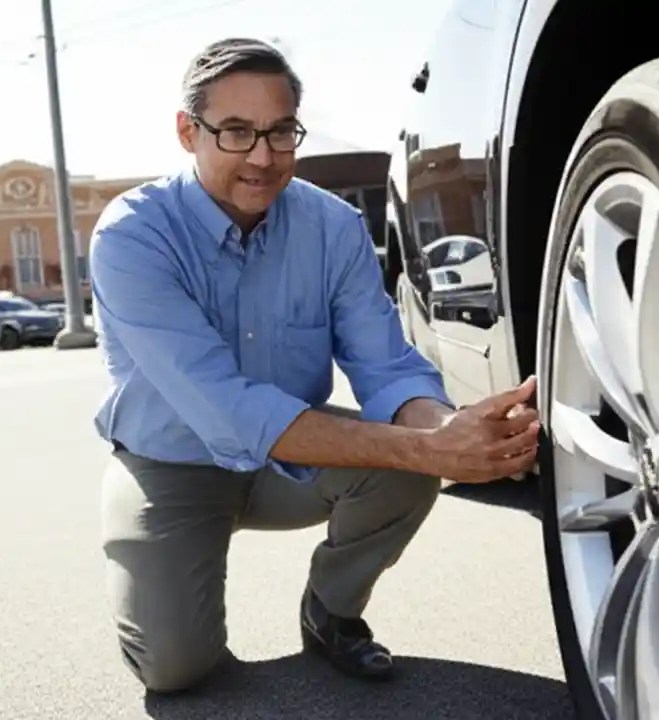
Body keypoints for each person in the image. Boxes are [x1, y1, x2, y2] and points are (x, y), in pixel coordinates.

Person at [89, 37, 541, 693]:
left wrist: (447, 429)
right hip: (169, 463)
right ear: (189, 132)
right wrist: (426, 447)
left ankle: (332, 611)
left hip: (288, 464)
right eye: (237, 133)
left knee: (409, 461)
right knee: (174, 669)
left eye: (280, 132)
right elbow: (226, 406)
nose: (264, 158)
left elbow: (385, 367)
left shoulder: (332, 226)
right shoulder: (133, 235)